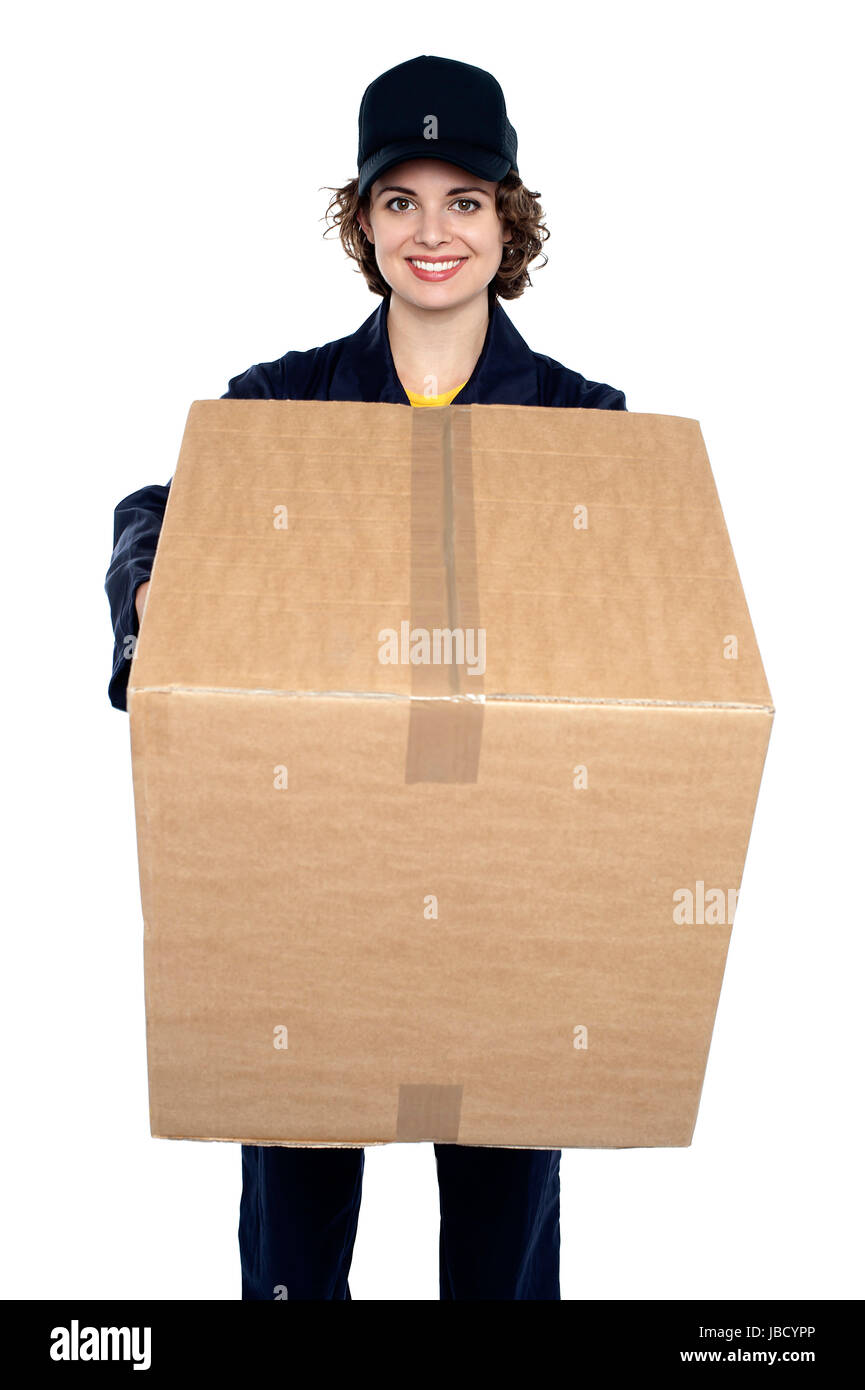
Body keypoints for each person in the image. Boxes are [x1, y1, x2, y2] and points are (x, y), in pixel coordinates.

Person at [105, 54, 626, 1301]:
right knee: (291, 1242)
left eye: (464, 200)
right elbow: (157, 513)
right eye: (401, 200)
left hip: (508, 872)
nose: (431, 232)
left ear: (510, 220)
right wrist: (150, 598)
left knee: (503, 1244)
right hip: (315, 860)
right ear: (363, 221)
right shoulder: (282, 402)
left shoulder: (586, 423)